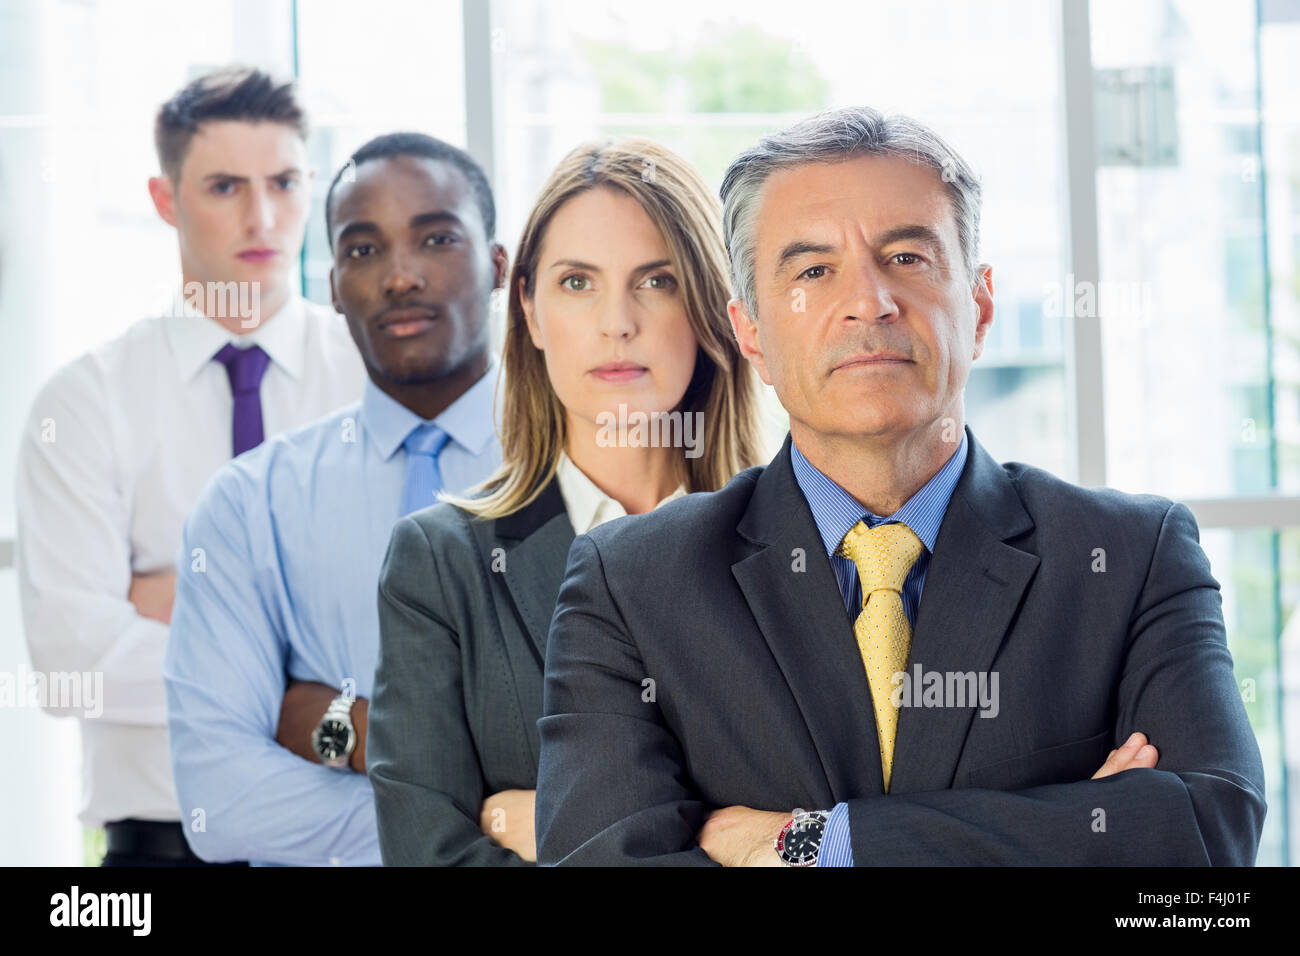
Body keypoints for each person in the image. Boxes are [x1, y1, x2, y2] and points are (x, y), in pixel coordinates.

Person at [533, 106, 1267, 866]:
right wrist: (1067, 823)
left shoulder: (1132, 556)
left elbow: (1206, 842)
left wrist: (815, 844)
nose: (869, 303)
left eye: (908, 258)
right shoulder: (631, 584)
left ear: (979, 307)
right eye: (814, 271)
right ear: (751, 331)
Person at [367, 138, 766, 865]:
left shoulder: (801, 541)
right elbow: (429, 852)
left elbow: (830, 830)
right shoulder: (441, 564)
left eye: (657, 281)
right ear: (529, 308)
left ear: (715, 305)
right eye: (577, 283)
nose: (617, 321)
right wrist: (724, 838)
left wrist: (553, 820)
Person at [15, 67, 365, 867]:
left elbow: (403, 625)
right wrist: (309, 665)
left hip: (348, 839)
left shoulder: (370, 379)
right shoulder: (83, 403)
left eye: (283, 182)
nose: (263, 216)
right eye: (223, 187)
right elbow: (76, 664)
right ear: (165, 199)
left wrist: (188, 601)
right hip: (161, 847)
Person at [162, 132, 507, 865]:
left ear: (499, 264)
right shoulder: (249, 505)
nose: (400, 277)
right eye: (362, 250)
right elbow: (220, 801)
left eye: (437, 238)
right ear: (332, 287)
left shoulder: (591, 474)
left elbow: (606, 773)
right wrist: (479, 824)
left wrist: (337, 725)